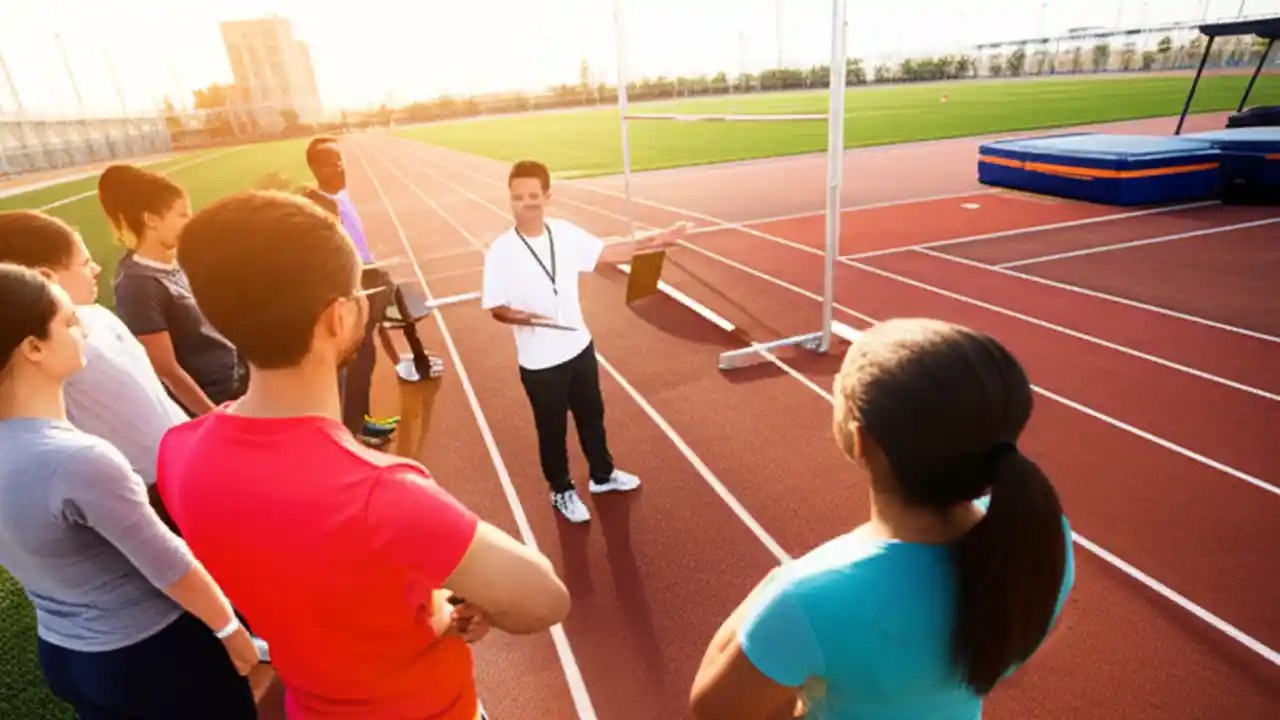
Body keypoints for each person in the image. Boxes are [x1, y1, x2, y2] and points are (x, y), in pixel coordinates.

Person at [157, 190, 571, 719]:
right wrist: (463, 600)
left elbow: (308, 572)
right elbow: (544, 599)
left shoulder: (178, 454)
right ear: (340, 316)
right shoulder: (383, 492)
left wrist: (438, 604)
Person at [688, 318, 1075, 720]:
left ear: (860, 441)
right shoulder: (1041, 542)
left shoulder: (808, 597)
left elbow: (716, 710)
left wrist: (770, 587)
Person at [0, 263, 258, 720]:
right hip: (149, 654)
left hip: (66, 652)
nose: (82, 330)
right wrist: (230, 630)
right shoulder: (77, 459)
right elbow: (169, 563)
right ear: (34, 347)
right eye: (70, 323)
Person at [481, 159, 689, 523]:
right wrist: (521, 317)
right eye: (517, 197)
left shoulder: (563, 233)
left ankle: (602, 476)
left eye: (532, 195)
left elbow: (611, 252)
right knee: (552, 430)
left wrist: (659, 240)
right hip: (540, 363)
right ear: (509, 199)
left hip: (579, 347)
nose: (525, 203)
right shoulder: (501, 250)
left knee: (592, 416)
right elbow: (495, 306)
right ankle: (561, 490)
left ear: (547, 196)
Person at [0, 210, 188, 509]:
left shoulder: (99, 315)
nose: (97, 269)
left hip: (185, 459)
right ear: (44, 278)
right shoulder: (43, 353)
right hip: (148, 490)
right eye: (85, 263)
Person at [97, 164, 241, 415]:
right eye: (181, 214)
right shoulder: (137, 284)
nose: (190, 220)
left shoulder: (179, 260)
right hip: (214, 401)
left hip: (238, 382)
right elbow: (166, 370)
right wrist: (214, 417)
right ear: (151, 219)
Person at [303, 137, 398, 445]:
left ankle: (360, 421)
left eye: (341, 160)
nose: (341, 167)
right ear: (316, 168)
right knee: (356, 361)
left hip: (367, 279)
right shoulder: (319, 206)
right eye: (332, 163)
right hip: (350, 288)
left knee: (366, 358)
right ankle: (351, 430)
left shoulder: (341, 195)